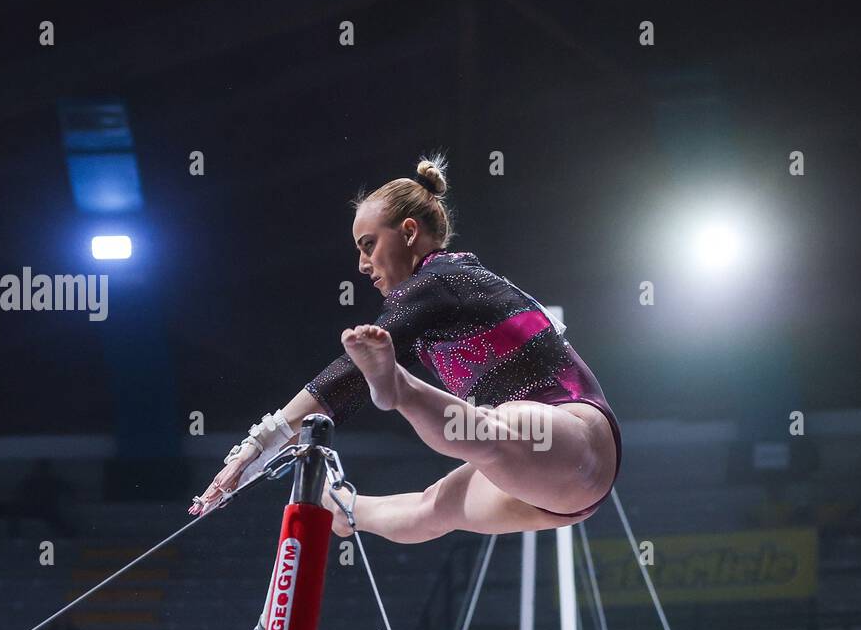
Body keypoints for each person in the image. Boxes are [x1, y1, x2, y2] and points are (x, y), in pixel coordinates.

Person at [189, 154, 622, 542]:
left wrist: (259, 443)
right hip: (553, 489)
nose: (362, 264)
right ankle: (346, 511)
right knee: (431, 509)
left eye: (368, 245)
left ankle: (399, 389)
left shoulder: (442, 279)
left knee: (490, 426)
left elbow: (346, 373)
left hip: (572, 436)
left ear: (409, 231)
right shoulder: (432, 306)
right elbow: (348, 385)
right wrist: (260, 456)